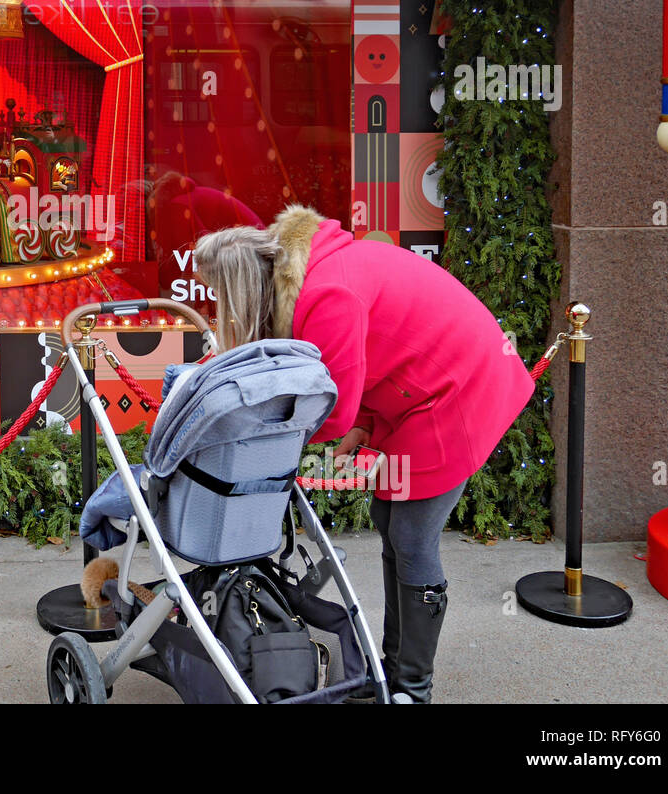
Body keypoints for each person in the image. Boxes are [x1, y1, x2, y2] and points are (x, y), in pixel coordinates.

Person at [193, 205, 533, 703]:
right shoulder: (317, 272)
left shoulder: (328, 294)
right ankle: (391, 675)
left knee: (413, 538)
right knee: (389, 521)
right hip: (420, 389)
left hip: (455, 394)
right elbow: (384, 351)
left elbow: (330, 408)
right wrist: (364, 426)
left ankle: (411, 689)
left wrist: (263, 440)